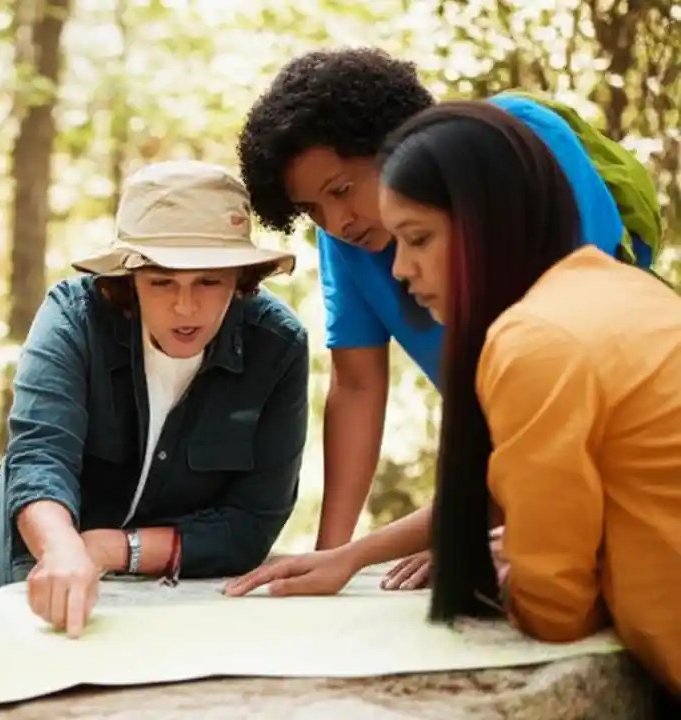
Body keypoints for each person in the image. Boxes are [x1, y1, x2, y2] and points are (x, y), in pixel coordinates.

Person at [229, 100, 681, 697]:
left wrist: (508, 569)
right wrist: (353, 553)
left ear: (487, 222)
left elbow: (556, 606)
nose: (399, 271)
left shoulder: (535, 342)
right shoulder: (630, 297)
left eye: (417, 240)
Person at [0, 160, 308, 637]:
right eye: (162, 282)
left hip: (175, 597)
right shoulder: (72, 319)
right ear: (129, 279)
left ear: (241, 277)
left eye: (209, 281)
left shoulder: (278, 345)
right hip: (33, 566)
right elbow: (40, 453)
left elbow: (252, 521)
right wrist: (63, 549)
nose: (185, 307)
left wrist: (113, 549)